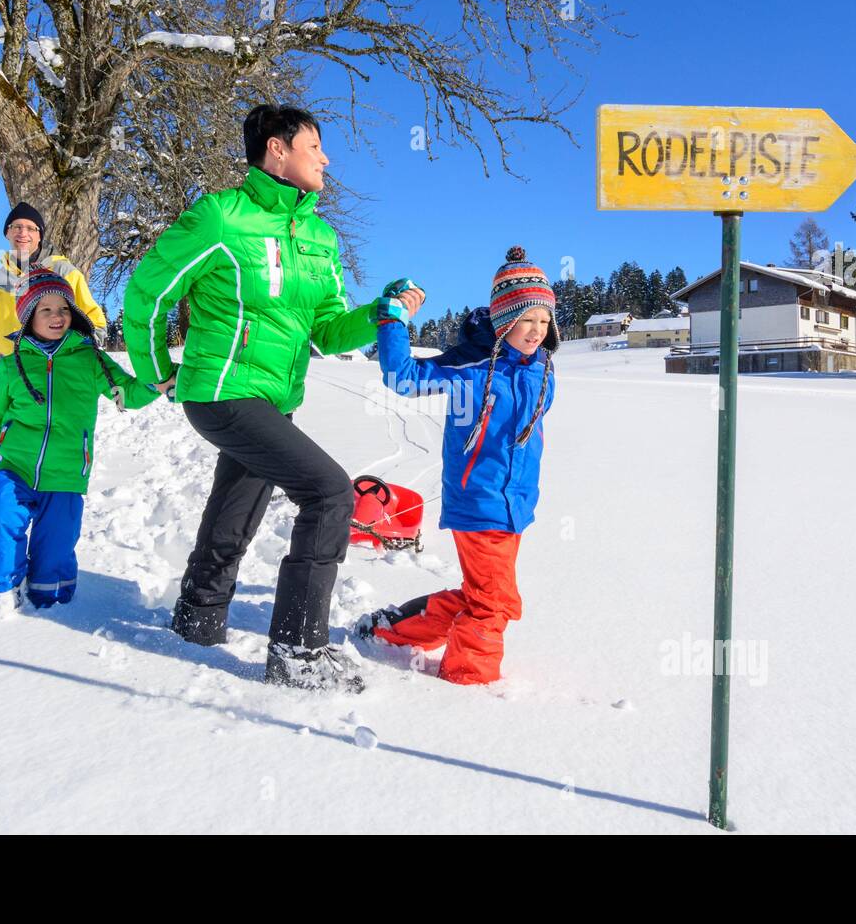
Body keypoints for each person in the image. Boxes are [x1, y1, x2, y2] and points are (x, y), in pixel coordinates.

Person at [121, 103, 422, 692]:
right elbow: (147, 292)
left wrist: (380, 314)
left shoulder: (319, 236)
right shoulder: (221, 218)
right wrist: (157, 370)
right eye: (315, 146)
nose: (326, 159)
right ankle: (298, 650)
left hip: (273, 399)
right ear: (277, 150)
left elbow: (329, 332)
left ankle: (198, 617)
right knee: (329, 491)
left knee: (237, 508)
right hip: (222, 389)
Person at [355, 247, 558, 685]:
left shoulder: (543, 370)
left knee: (481, 595)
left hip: (516, 507)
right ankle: (467, 681)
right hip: (478, 501)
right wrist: (393, 322)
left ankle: (392, 629)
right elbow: (403, 378)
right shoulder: (471, 367)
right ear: (504, 319)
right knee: (494, 603)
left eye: (544, 321)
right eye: (527, 319)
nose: (537, 331)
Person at [0, 269, 163, 612]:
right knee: (0, 514)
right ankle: (4, 588)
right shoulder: (11, 365)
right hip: (14, 467)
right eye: (45, 310)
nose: (56, 316)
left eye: (63, 309)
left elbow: (129, 393)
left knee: (55, 558)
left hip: (66, 473)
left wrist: (159, 382)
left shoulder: (90, 360)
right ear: (28, 316)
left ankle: (50, 605)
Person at [0, 202, 108, 444]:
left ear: (40, 235)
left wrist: (77, 352)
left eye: (31, 228)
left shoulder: (63, 270)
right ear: (7, 233)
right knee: (7, 436)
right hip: (10, 368)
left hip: (49, 368)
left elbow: (94, 321)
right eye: (17, 227)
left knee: (43, 438)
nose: (23, 233)